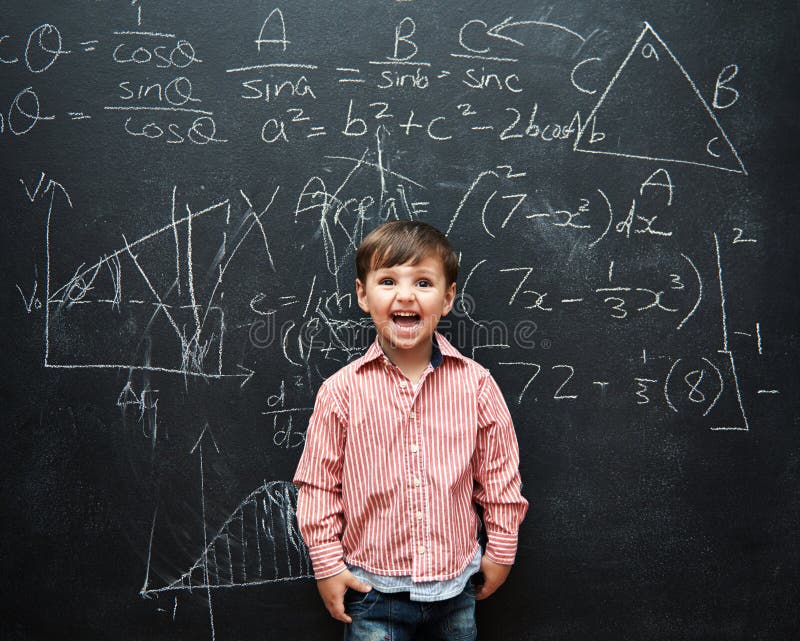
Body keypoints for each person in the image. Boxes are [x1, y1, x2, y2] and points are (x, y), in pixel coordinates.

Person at [293, 220, 528, 641]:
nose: (405, 295)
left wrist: (502, 548)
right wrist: (327, 564)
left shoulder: (476, 385)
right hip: (371, 591)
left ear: (448, 296)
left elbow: (499, 476)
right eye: (387, 281)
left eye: (423, 282)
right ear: (363, 295)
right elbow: (317, 486)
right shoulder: (340, 392)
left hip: (457, 589)